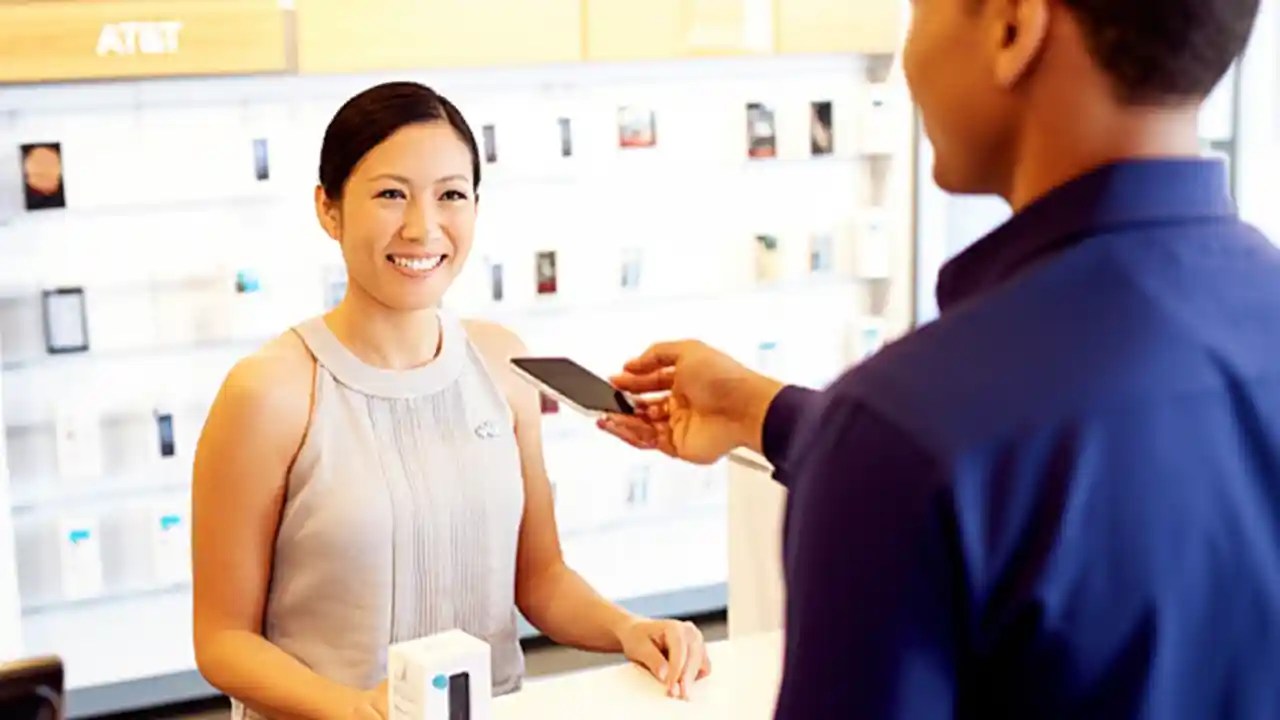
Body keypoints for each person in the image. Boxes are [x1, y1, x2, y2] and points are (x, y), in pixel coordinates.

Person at [603, 0, 1280, 718]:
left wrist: (855, 445)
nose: (908, 61)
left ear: (1013, 27)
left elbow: (963, 469)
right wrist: (758, 409)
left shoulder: (905, 431)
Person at [191, 81, 709, 720]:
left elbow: (539, 579)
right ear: (329, 209)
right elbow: (222, 640)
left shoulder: (502, 364)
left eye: (451, 195)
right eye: (390, 194)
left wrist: (627, 630)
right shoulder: (269, 391)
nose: (422, 226)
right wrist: (356, 711)